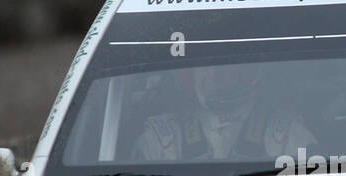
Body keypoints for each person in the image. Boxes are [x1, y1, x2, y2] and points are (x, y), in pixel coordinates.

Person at [132, 63, 317, 161]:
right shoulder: (158, 138)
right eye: (203, 64)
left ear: (247, 68)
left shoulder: (288, 134)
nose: (213, 74)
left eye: (224, 66)